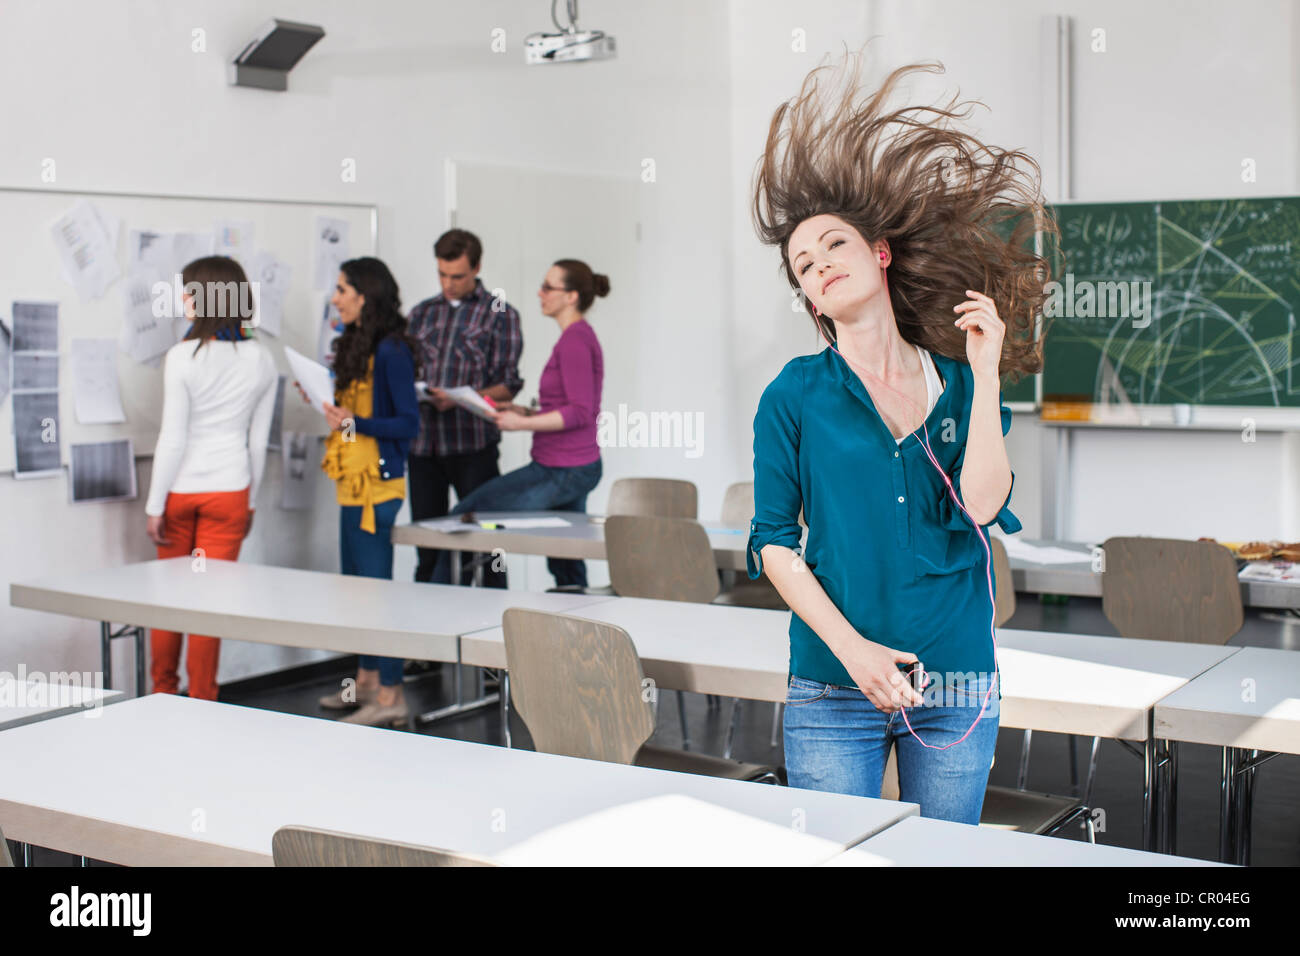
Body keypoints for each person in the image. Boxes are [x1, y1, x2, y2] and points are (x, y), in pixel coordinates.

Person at [747, 55, 1053, 823]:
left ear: (879, 253)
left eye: (833, 247)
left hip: (955, 680)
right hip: (832, 683)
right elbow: (774, 545)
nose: (819, 267)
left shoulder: (958, 383)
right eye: (804, 267)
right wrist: (856, 655)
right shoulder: (793, 395)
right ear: (809, 300)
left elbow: (982, 506)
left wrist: (986, 374)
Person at [145, 256, 277, 701]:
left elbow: (173, 439)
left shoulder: (181, 357)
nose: (181, 300)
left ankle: (163, 694)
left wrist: (154, 506)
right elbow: (258, 444)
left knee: (170, 600)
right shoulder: (261, 359)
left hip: (180, 493)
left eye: (187, 292)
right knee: (208, 605)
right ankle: (204, 702)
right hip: (231, 491)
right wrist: (251, 501)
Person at [434, 259, 607, 590]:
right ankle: (577, 617)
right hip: (569, 466)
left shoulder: (574, 341)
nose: (539, 293)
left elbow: (580, 412)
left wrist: (518, 424)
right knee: (565, 555)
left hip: (562, 469)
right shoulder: (576, 338)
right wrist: (520, 411)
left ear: (571, 297)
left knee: (465, 517)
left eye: (548, 287)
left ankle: (445, 606)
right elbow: (566, 407)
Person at [309, 257, 421, 727]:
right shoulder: (357, 343)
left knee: (378, 594)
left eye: (341, 289)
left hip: (378, 484)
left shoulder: (393, 350)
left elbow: (408, 423)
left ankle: (393, 697)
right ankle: (367, 682)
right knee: (356, 587)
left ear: (364, 294)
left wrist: (359, 422)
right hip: (350, 481)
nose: (335, 298)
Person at [406, 229, 523, 589]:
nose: (449, 284)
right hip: (425, 447)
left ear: (477, 267)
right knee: (428, 547)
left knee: (487, 548)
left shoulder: (500, 314)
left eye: (457, 276)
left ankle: (492, 629)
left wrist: (460, 397)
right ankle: (430, 634)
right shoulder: (422, 313)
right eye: (442, 274)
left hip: (473, 447)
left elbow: (508, 383)